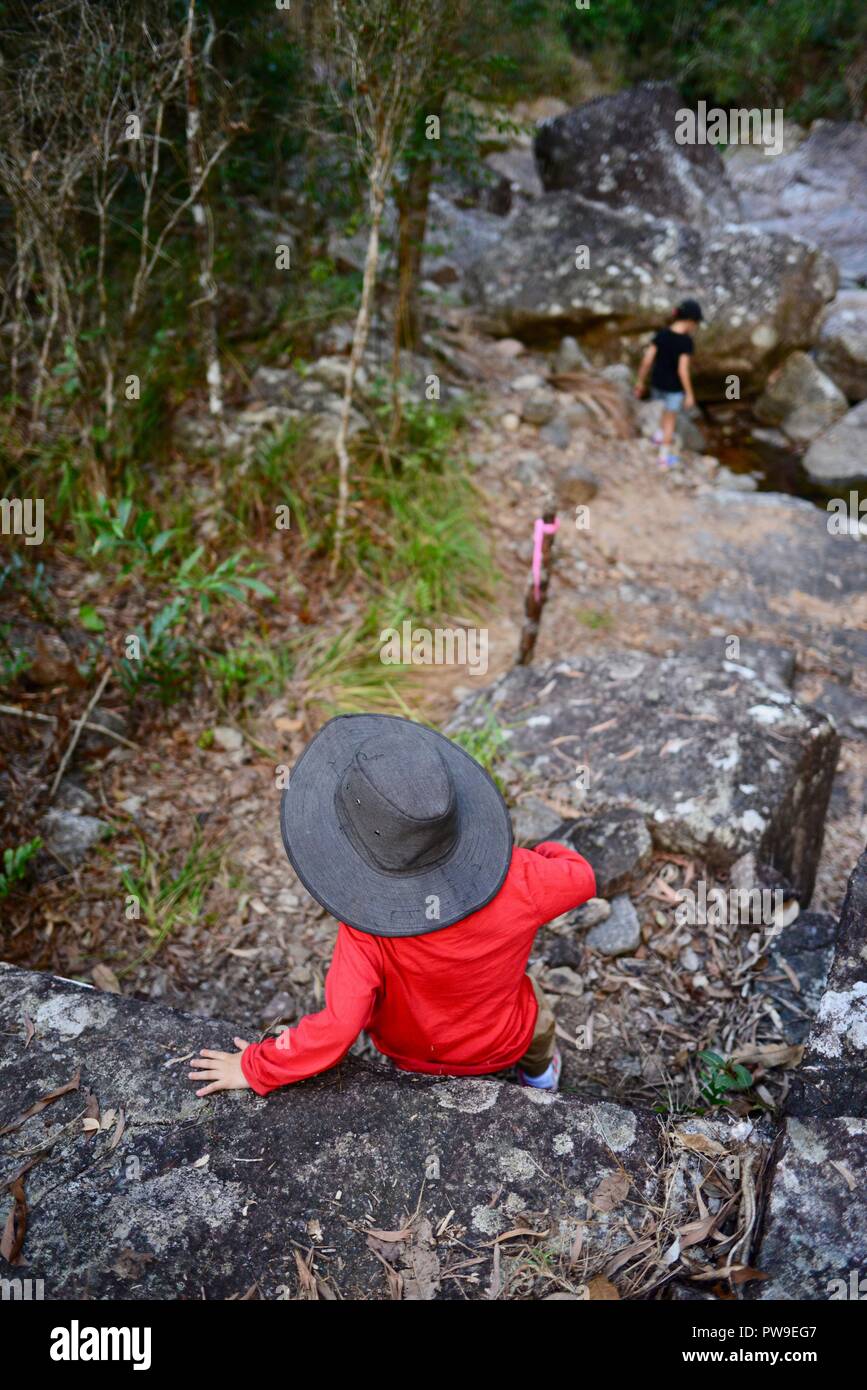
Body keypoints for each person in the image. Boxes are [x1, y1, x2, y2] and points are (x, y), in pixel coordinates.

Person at [188, 714, 596, 1098]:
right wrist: (533, 854)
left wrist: (256, 1066)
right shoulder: (522, 878)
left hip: (410, 1053)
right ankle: (540, 1082)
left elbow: (337, 1029)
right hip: (504, 1041)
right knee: (537, 1016)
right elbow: (582, 878)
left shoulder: (367, 932)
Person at [634, 298, 703, 468]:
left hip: (657, 383)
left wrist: (640, 381)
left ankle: (657, 438)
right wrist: (689, 394)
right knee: (670, 420)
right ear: (690, 321)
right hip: (674, 388)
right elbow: (682, 370)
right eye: (696, 323)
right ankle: (663, 458)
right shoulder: (686, 342)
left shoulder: (661, 334)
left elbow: (647, 360)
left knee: (661, 412)